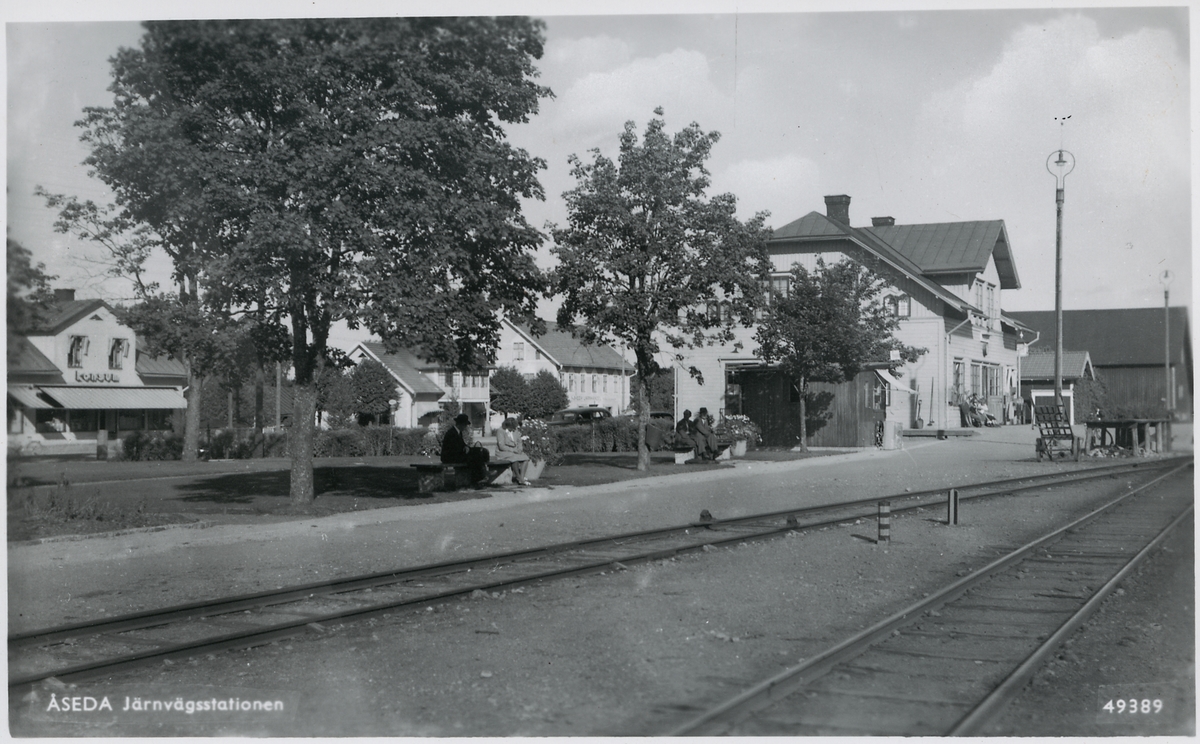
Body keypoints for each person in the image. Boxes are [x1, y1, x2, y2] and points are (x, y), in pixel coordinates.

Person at [441, 413, 489, 483]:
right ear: (461, 424)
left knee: (477, 453)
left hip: (455, 455)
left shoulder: (458, 432)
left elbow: (462, 445)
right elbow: (453, 448)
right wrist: (465, 450)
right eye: (465, 425)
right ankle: (478, 478)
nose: (465, 427)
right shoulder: (452, 433)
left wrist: (468, 448)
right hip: (449, 457)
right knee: (473, 458)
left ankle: (481, 475)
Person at [496, 417, 531, 485]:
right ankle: (519, 478)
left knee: (526, 458)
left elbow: (519, 441)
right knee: (514, 458)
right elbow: (501, 446)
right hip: (503, 452)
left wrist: (520, 449)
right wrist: (513, 450)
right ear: (508, 426)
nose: (514, 429)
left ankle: (521, 478)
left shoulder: (515, 430)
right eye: (512, 427)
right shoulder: (500, 431)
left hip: (515, 451)